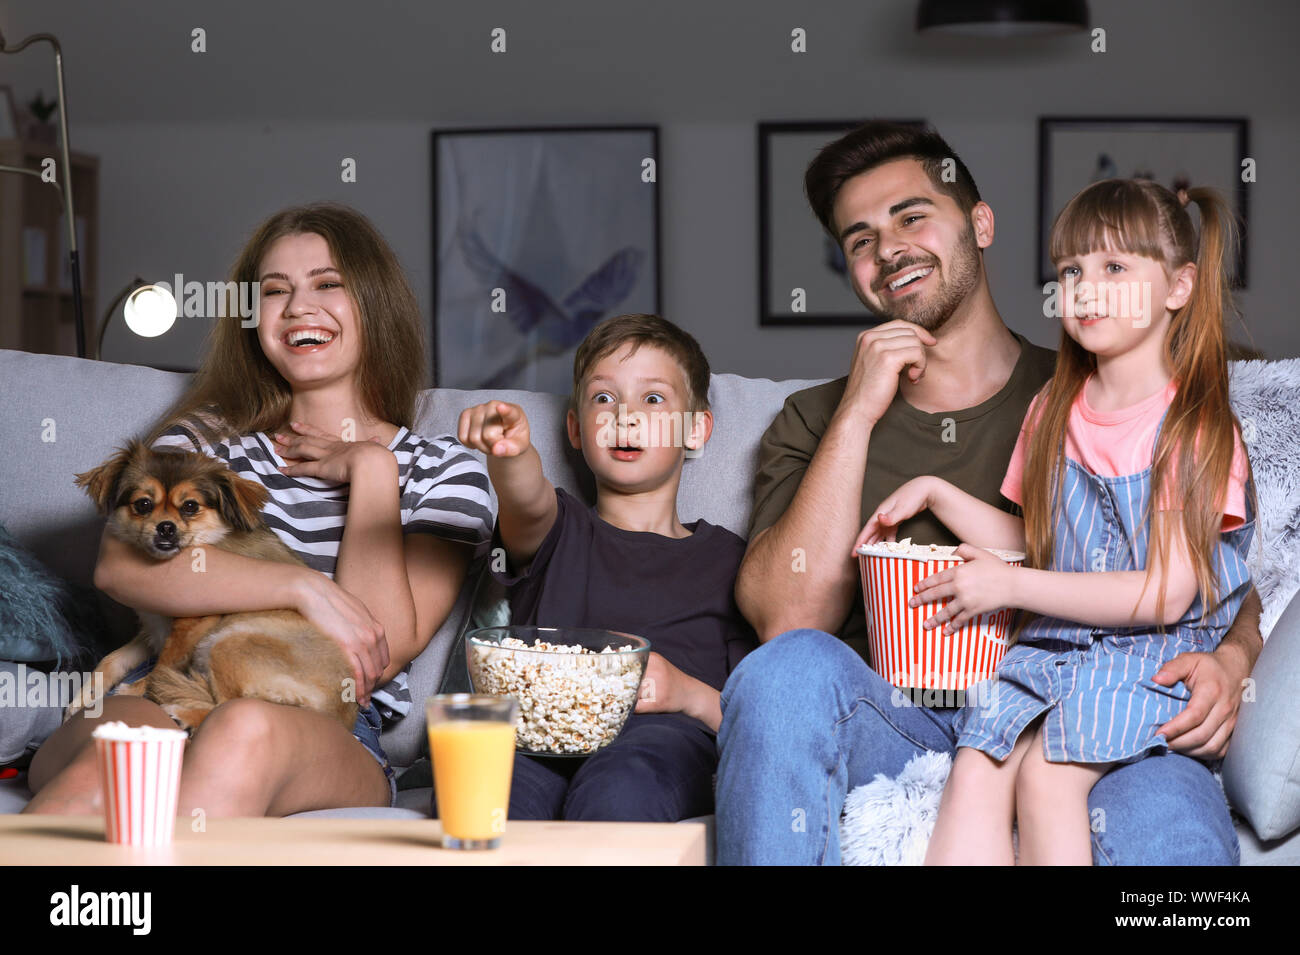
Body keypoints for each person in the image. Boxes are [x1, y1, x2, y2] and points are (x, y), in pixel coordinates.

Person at [717, 122, 1263, 865]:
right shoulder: (818, 418)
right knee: (781, 675)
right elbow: (787, 624)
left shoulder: (1097, 386)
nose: (889, 250)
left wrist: (1233, 659)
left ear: (980, 223)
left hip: (1105, 690)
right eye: (860, 240)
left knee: (1165, 819)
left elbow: (1210, 567)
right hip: (910, 715)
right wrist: (860, 410)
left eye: (911, 216)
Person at [25, 202, 492, 817]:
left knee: (241, 729)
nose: (299, 306)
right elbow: (121, 567)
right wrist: (301, 586)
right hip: (164, 688)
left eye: (328, 284)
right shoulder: (204, 441)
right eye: (275, 292)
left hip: (325, 722)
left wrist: (371, 471)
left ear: (376, 303)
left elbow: (379, 645)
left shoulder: (446, 467)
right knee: (122, 753)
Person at [853, 179, 1254, 864]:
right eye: (1071, 271)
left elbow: (1165, 594)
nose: (1086, 288)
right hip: (1055, 650)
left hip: (1148, 657)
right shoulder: (1053, 408)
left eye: (1115, 268)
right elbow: (1040, 544)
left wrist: (1010, 590)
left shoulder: (1192, 426)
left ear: (1179, 287)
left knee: (1046, 775)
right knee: (977, 765)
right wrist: (934, 493)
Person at [456, 314, 757, 821]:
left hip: (660, 741)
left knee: (619, 791)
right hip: (539, 735)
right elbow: (527, 500)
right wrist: (510, 453)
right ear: (575, 428)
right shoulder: (560, 529)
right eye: (603, 398)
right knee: (479, 788)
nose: (626, 416)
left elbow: (752, 717)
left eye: (653, 399)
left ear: (696, 429)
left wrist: (686, 693)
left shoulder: (731, 559)